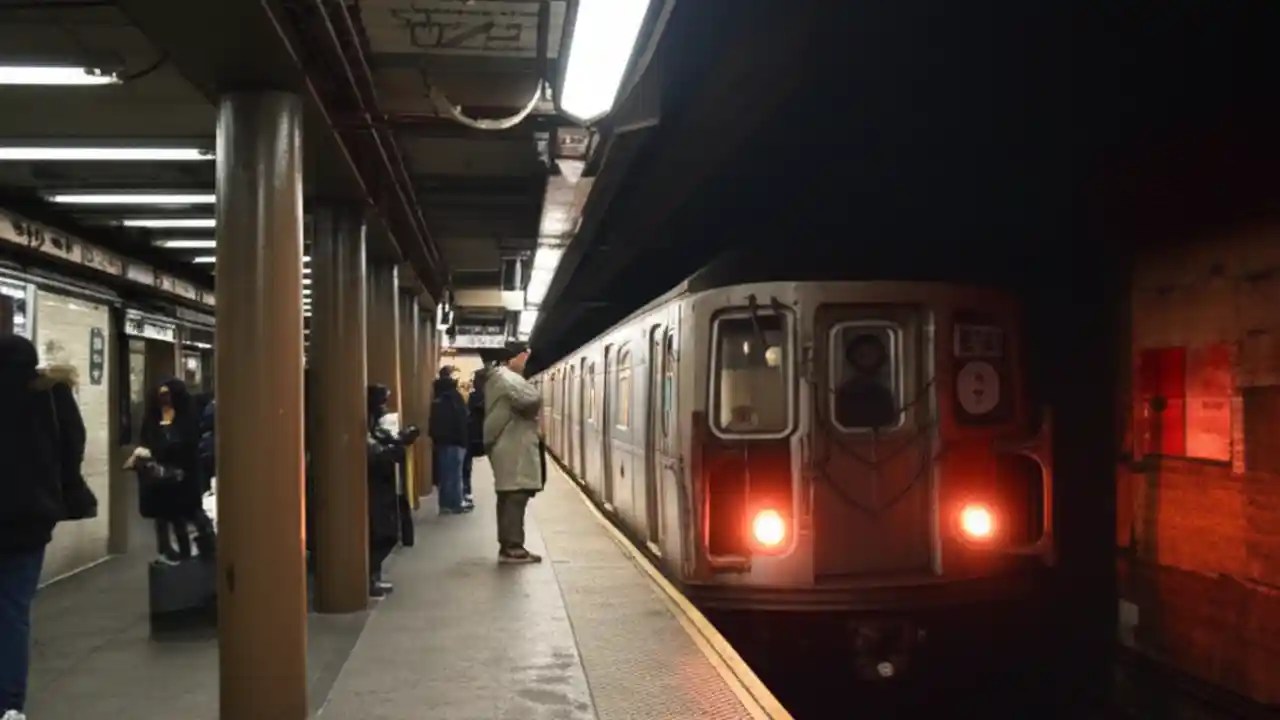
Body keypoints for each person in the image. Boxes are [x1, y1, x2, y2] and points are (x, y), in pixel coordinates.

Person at [0, 335, 94, 720]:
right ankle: (8, 705)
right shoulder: (50, 395)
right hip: (29, 519)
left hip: (25, 517)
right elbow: (73, 444)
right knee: (13, 613)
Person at [137, 379, 216, 564]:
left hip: (184, 474)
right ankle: (173, 553)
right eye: (161, 394)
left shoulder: (187, 413)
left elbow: (190, 441)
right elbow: (148, 439)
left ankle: (201, 551)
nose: (164, 398)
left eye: (167, 394)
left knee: (190, 513)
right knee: (167, 515)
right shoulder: (152, 417)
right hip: (161, 476)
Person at [484, 342, 546, 564]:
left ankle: (509, 545)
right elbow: (531, 398)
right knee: (515, 496)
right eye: (524, 357)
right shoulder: (506, 378)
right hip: (512, 448)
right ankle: (513, 548)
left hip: (509, 446)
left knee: (510, 496)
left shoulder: (499, 377)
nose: (526, 363)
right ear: (513, 358)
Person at [367, 384, 420, 597]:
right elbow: (376, 452)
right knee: (383, 532)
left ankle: (373, 576)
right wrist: (396, 447)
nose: (384, 405)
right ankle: (369, 577)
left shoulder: (375, 423)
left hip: (383, 483)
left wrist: (401, 440)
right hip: (376, 484)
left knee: (386, 530)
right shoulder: (368, 424)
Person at [430, 366, 471, 515]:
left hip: (443, 441)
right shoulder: (453, 398)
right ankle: (454, 503)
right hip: (456, 441)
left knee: (447, 474)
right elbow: (462, 419)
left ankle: (447, 503)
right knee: (454, 475)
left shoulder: (438, 398)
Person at [463, 366, 490, 508]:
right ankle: (467, 493)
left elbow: (471, 413)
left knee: (466, 468)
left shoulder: (475, 397)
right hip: (484, 436)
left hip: (473, 436)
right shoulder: (491, 396)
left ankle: (467, 493)